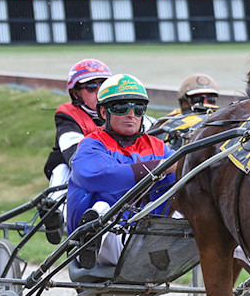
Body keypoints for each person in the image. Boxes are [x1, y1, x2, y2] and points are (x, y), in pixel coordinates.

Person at [68, 74, 177, 267]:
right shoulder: (90, 146)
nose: (131, 114)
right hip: (105, 244)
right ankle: (90, 239)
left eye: (138, 108)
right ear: (104, 112)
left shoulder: (158, 147)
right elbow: (105, 176)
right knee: (101, 208)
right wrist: (162, 166)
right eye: (121, 107)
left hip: (147, 237)